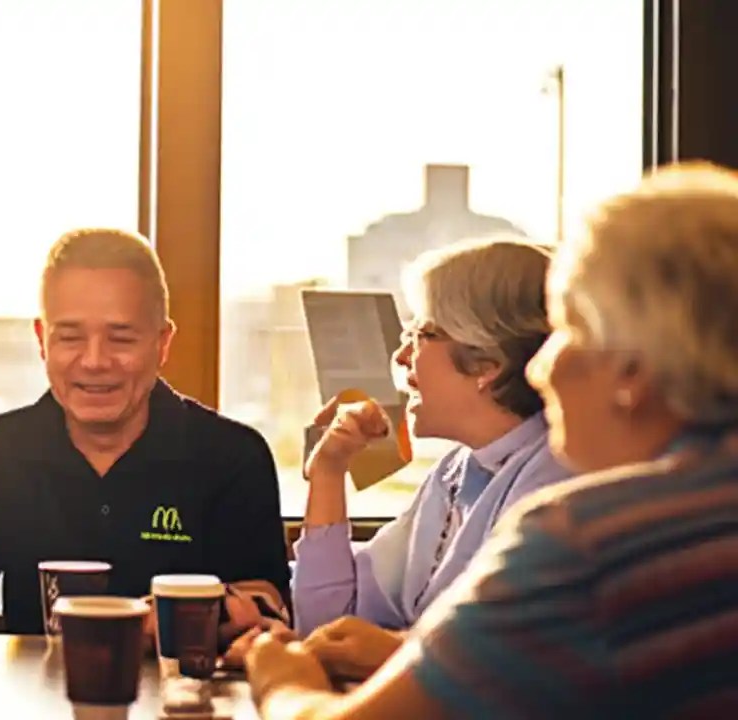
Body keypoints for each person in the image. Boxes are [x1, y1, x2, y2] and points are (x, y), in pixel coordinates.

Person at [246, 162, 738, 719]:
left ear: (632, 370)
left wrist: (281, 681)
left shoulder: (585, 540)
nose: (540, 367)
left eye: (571, 331)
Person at [0, 228, 291, 638]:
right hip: (35, 695)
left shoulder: (232, 455)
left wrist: (158, 618)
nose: (95, 361)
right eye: (70, 338)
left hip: (187, 697)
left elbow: (264, 604)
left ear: (162, 344)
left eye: (121, 338)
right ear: (42, 340)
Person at [287, 237, 570, 675]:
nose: (401, 357)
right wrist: (328, 473)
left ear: (486, 363)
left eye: (422, 334)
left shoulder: (552, 484)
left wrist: (391, 650)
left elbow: (504, 664)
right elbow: (327, 624)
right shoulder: (457, 472)